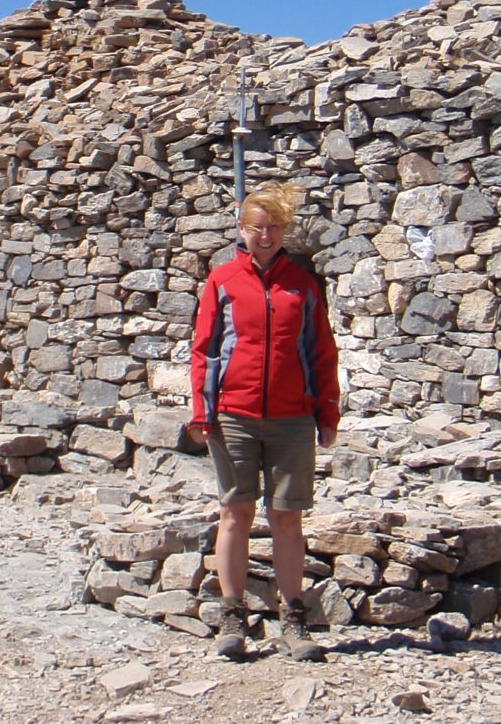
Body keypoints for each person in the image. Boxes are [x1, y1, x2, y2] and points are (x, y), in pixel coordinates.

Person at [187, 183, 340, 661]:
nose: (266, 235)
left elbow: (321, 352)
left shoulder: (302, 284)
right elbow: (205, 349)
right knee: (235, 513)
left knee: (287, 518)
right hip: (233, 414)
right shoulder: (224, 281)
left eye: (274, 227)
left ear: (284, 230)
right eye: (257, 227)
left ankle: (293, 618)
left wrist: (327, 411)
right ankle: (232, 616)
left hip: (292, 417)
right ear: (242, 230)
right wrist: (200, 410)